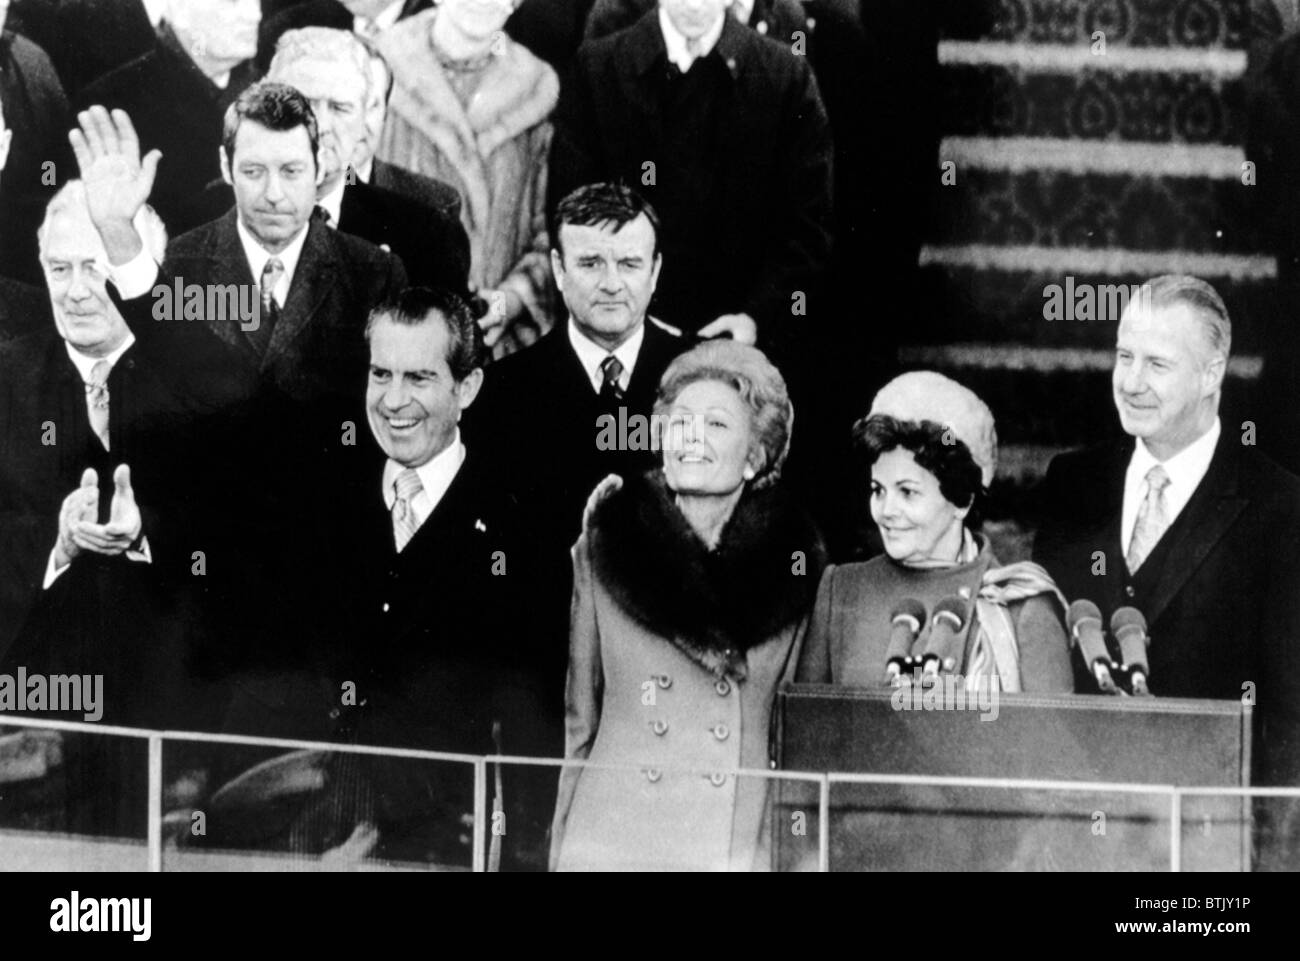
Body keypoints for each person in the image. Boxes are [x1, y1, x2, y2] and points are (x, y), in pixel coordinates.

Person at [0, 182, 235, 836]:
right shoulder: (5, 385)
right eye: (59, 267)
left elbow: (239, 559)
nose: (75, 290)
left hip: (178, 740)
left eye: (96, 269)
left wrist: (143, 540)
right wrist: (57, 553)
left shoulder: (198, 387)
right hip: (28, 737)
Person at [550, 339, 827, 871]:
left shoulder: (797, 572)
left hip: (731, 846)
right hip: (612, 840)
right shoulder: (605, 547)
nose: (691, 438)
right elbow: (579, 729)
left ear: (754, 458)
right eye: (680, 422)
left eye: (718, 425)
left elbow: (794, 752)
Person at [1034, 275, 1300, 796]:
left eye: (1156, 364)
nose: (1131, 383)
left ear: (1211, 374)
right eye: (1124, 356)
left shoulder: (1282, 507)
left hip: (1209, 835)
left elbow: (1292, 720)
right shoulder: (1072, 481)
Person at [548, 0, 833, 352]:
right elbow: (572, 212)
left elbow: (807, 225)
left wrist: (757, 316)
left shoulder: (785, 76)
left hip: (739, 343)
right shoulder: (597, 69)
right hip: (622, 337)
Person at [796, 371, 1073, 692]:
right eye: (878, 490)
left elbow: (1053, 740)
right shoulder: (841, 591)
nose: (886, 511)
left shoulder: (1023, 606)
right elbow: (805, 728)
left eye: (908, 492)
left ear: (962, 500)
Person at [375, 0, 559, 354]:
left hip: (497, 348)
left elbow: (548, 230)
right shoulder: (381, 68)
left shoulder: (535, 89)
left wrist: (511, 300)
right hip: (396, 336)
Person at [259, 26, 471, 293]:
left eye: (340, 108)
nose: (322, 125)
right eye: (305, 104)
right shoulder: (208, 213)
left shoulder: (426, 235)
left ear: (365, 118)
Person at [75, 0, 263, 233]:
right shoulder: (110, 105)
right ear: (178, 9)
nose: (254, 14)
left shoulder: (274, 89)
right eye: (233, 3)